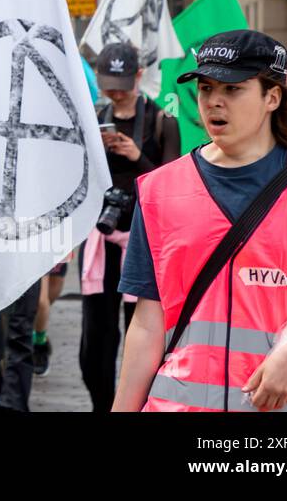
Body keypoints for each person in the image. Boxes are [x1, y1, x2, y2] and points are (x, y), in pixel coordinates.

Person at [114, 30, 287, 412]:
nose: (214, 101)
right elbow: (147, 325)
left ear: (272, 96)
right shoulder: (159, 190)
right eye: (205, 88)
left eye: (232, 89)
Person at [78, 42, 180, 411]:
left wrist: (138, 157)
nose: (116, 91)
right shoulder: (92, 116)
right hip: (99, 238)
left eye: (122, 82)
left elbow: (172, 184)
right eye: (109, 83)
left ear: (139, 75)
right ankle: (102, 405)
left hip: (145, 238)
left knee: (145, 334)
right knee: (96, 340)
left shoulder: (161, 120)